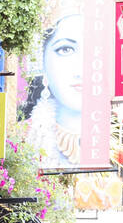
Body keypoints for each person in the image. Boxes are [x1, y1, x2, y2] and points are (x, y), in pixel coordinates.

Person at [21, 14, 84, 168]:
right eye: (65, 49)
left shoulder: (115, 149)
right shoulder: (23, 137)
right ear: (43, 61)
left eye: (94, 51)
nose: (81, 69)